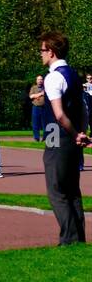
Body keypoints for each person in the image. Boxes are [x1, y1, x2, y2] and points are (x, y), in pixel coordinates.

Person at [38, 32, 89, 245]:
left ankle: (69, 239)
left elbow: (58, 114)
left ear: (51, 51)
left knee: (56, 190)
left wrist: (75, 133)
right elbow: (84, 108)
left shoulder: (53, 77)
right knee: (72, 190)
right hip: (72, 136)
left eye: (42, 50)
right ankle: (79, 238)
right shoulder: (74, 75)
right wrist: (81, 133)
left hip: (56, 135)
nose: (40, 54)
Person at [28, 75, 46, 144]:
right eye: (38, 79)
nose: (40, 81)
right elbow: (31, 96)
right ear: (36, 81)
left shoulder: (45, 87)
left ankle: (45, 137)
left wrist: (36, 95)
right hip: (36, 107)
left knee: (44, 124)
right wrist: (41, 94)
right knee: (35, 124)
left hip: (44, 108)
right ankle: (36, 138)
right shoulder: (33, 88)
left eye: (41, 79)